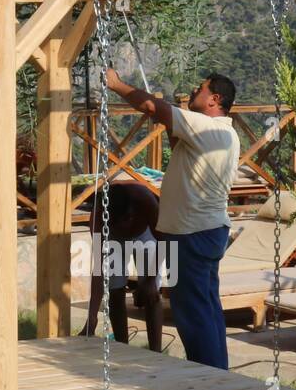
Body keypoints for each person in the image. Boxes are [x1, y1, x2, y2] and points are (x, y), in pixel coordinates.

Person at [104, 67, 239, 368]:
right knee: (206, 308)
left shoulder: (204, 126)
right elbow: (179, 145)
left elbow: (150, 105)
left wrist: (115, 85)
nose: (193, 91)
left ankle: (207, 380)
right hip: (208, 230)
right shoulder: (225, 133)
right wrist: (168, 122)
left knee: (192, 314)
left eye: (200, 89)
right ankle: (220, 376)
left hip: (191, 234)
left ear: (214, 99)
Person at [79, 180, 163, 351]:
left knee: (152, 294)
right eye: (115, 225)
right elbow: (99, 269)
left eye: (124, 222)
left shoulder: (147, 202)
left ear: (131, 214)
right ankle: (122, 347)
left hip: (146, 232)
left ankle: (156, 351)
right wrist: (92, 316)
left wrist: (150, 280)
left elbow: (164, 243)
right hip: (113, 236)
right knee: (115, 289)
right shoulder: (98, 219)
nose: (123, 229)